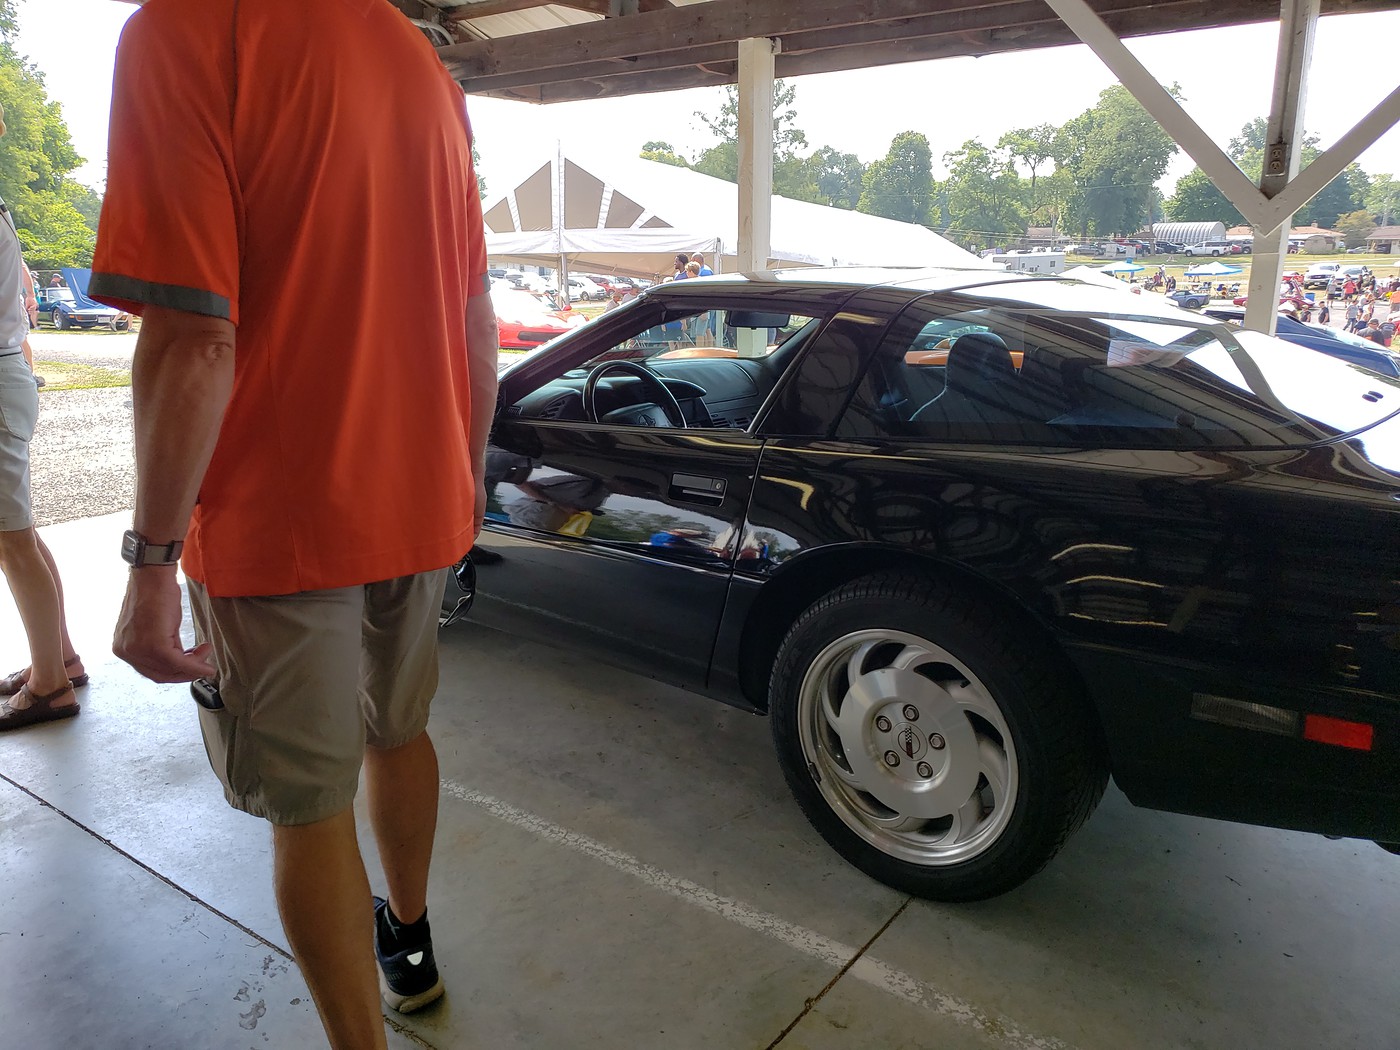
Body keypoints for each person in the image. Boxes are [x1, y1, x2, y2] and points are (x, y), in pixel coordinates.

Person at [89, 4, 495, 1046]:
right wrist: (458, 487)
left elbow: (191, 338)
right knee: (397, 731)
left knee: (306, 806)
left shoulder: (185, 34)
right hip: (420, 489)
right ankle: (408, 943)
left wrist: (148, 567)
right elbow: (471, 318)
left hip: (281, 515)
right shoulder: (419, 62)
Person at [0, 101, 86, 731]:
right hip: (7, 375)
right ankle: (58, 658)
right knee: (18, 535)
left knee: (11, 540)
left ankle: (52, 686)